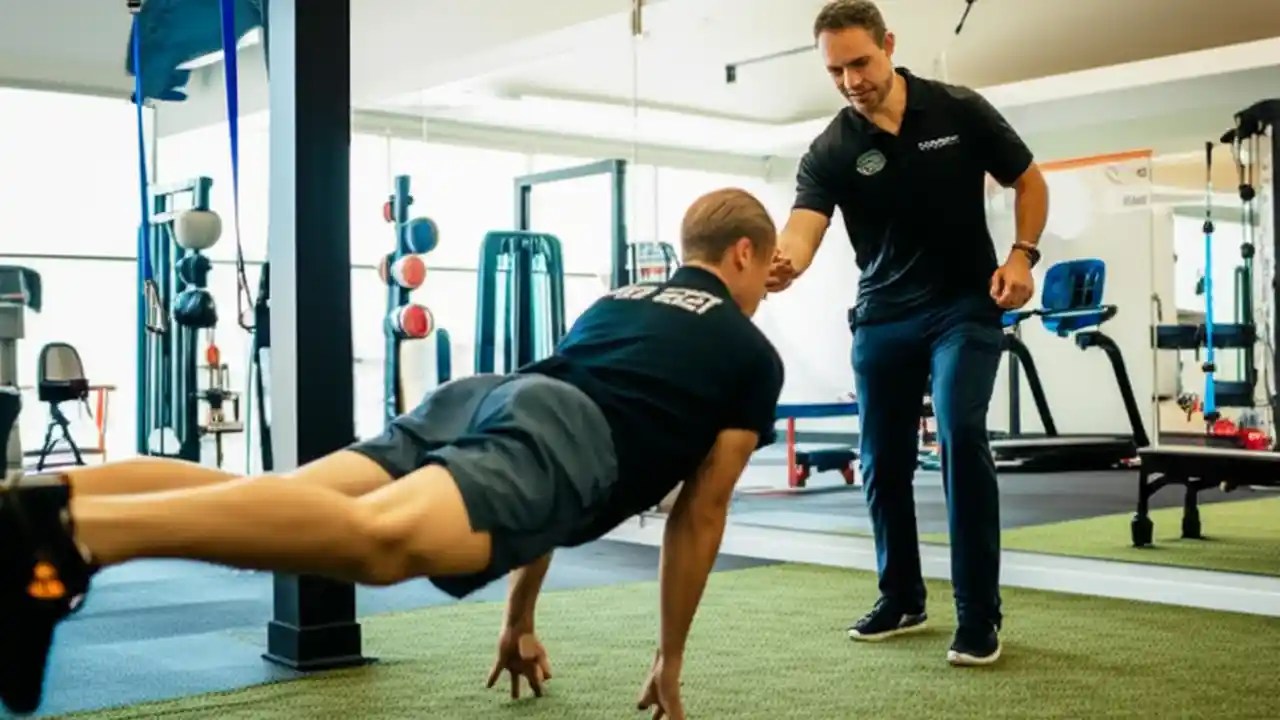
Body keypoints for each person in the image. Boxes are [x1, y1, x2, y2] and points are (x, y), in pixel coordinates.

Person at [0, 188, 785, 718]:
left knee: (290, 499)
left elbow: (537, 461)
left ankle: (36, 492)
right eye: (765, 273)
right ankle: (70, 537)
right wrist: (669, 659)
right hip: (566, 431)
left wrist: (518, 619)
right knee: (380, 544)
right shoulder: (749, 353)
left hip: (485, 394)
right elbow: (700, 515)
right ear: (745, 253)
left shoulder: (617, 300)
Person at [768, 0, 1049, 667]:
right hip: (884, 315)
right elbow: (803, 229)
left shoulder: (958, 110)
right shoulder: (831, 148)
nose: (851, 81)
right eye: (835, 71)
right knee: (882, 460)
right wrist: (784, 264)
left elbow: (1029, 181)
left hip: (964, 306)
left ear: (889, 44)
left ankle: (978, 615)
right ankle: (901, 597)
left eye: (860, 63)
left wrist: (1022, 257)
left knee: (959, 431)